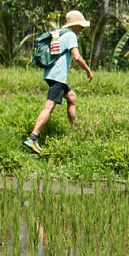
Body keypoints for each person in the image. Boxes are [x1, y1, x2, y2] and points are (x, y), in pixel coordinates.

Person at [23, 10, 94, 155]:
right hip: (58, 77)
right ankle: (33, 138)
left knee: (71, 97)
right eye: (81, 26)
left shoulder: (61, 34)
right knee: (49, 107)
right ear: (75, 25)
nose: (81, 29)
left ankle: (75, 130)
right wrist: (88, 70)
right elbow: (76, 56)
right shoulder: (71, 36)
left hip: (51, 74)